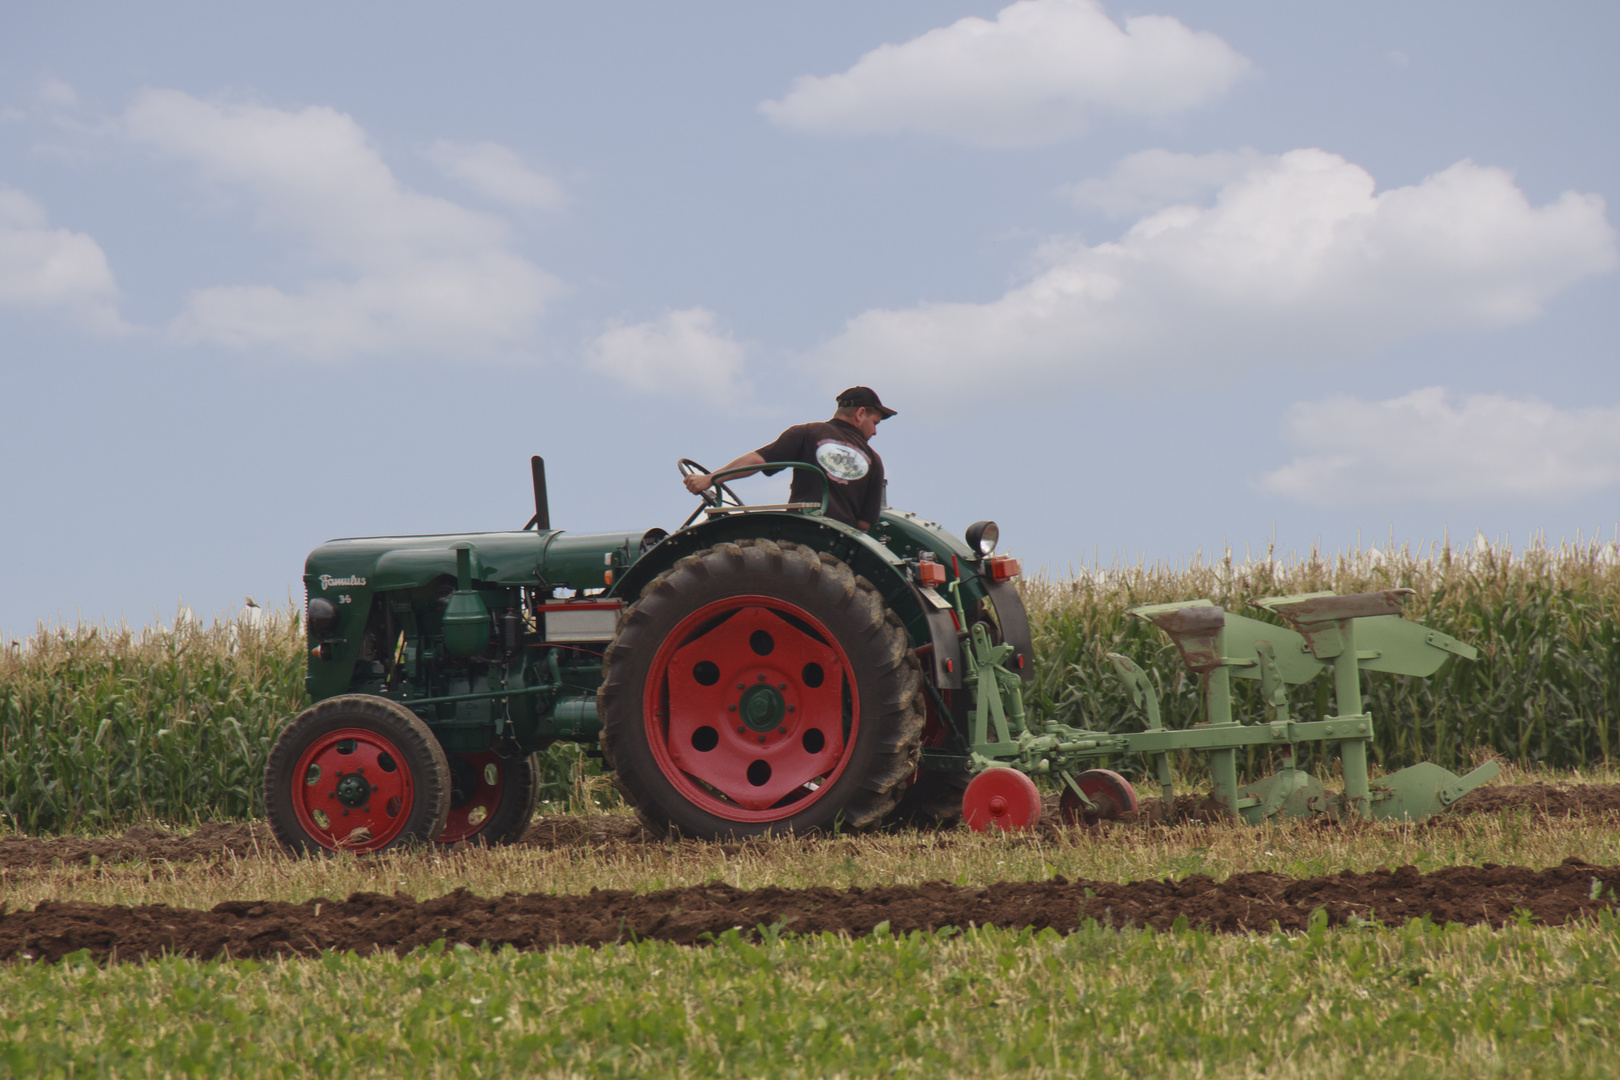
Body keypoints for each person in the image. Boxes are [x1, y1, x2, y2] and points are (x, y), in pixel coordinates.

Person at [682, 386, 897, 531]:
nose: (875, 432)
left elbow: (758, 460)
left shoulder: (807, 432)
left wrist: (710, 478)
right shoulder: (874, 461)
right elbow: (864, 525)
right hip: (840, 542)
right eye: (875, 423)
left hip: (801, 530)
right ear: (860, 414)